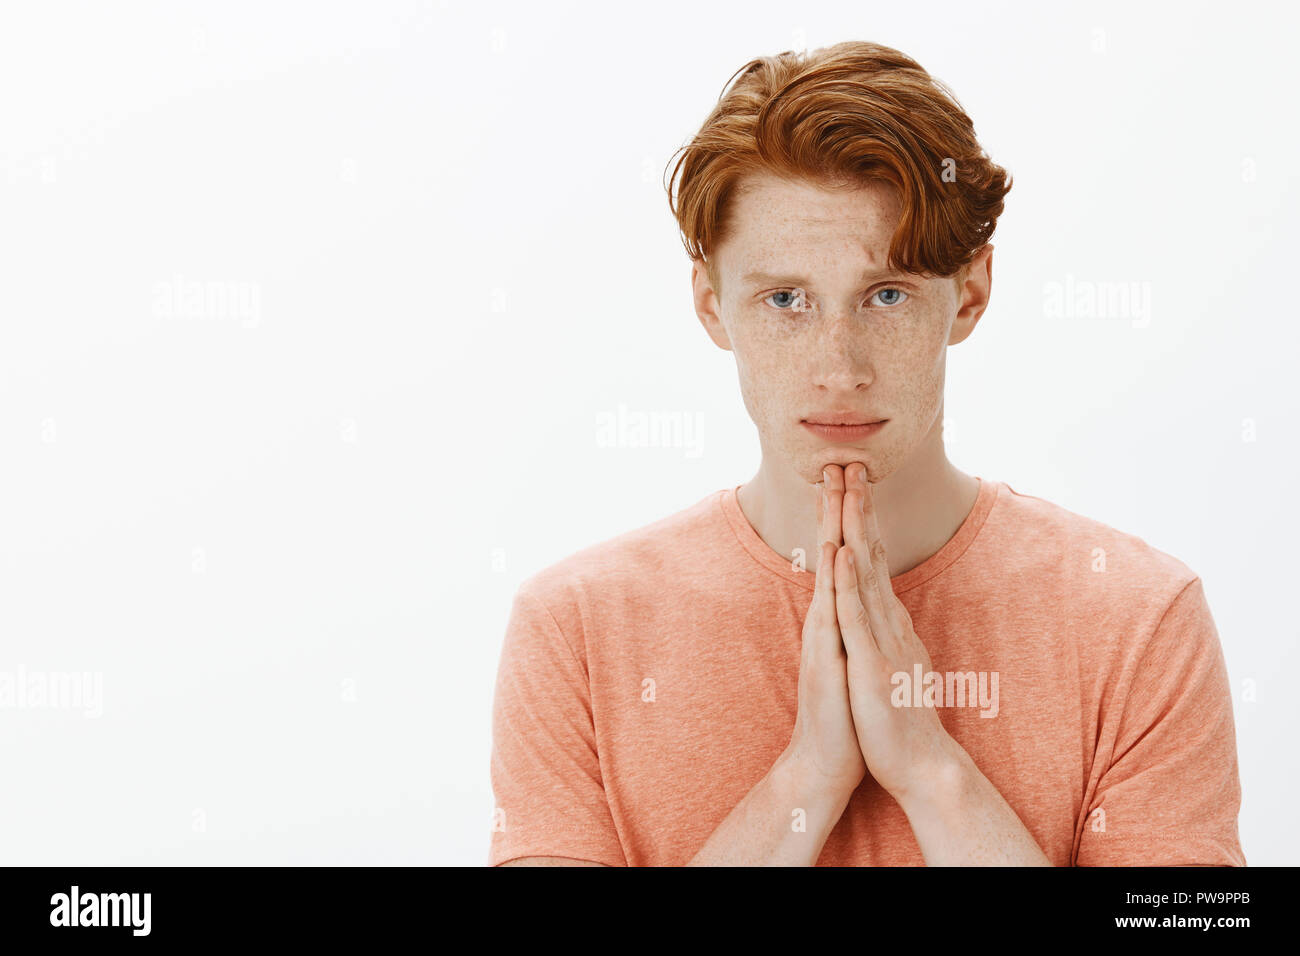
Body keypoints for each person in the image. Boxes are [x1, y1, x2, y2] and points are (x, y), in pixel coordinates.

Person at [487, 40, 1245, 866]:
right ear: (711, 304)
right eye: (786, 299)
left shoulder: (1139, 621)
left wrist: (932, 773)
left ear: (971, 293)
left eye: (887, 295)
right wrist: (805, 780)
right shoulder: (575, 632)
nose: (839, 368)